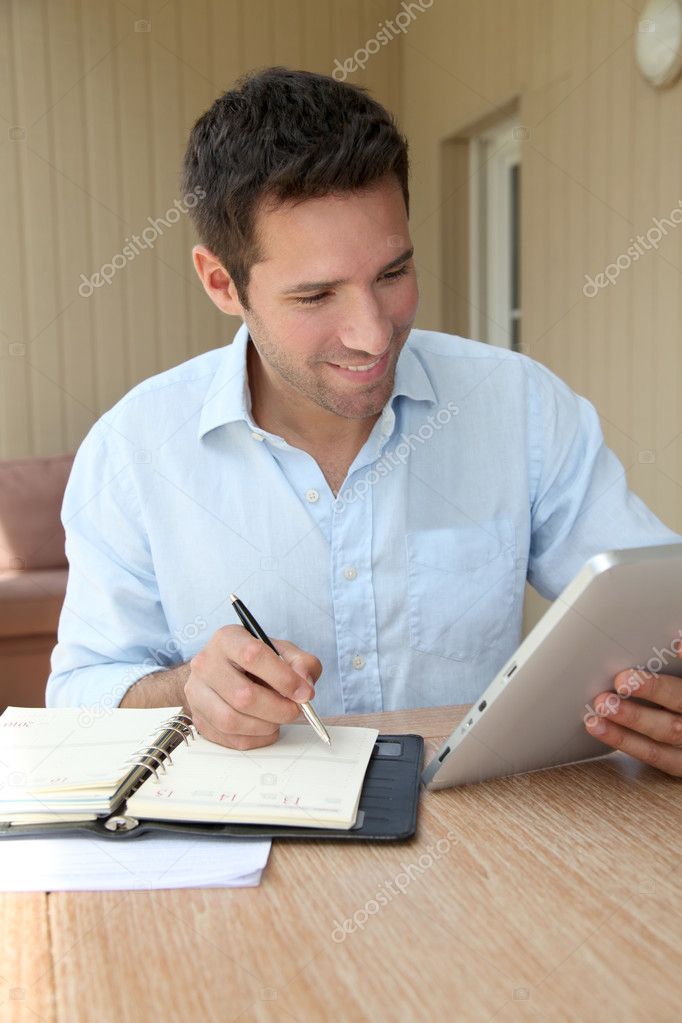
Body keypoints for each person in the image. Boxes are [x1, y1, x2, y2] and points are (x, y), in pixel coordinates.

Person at [47, 67, 682, 776]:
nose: (375, 336)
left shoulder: (520, 405)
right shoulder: (134, 449)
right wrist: (188, 691)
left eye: (393, 272)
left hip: (484, 842)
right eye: (317, 295)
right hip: (253, 858)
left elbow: (656, 609)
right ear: (222, 283)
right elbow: (80, 693)